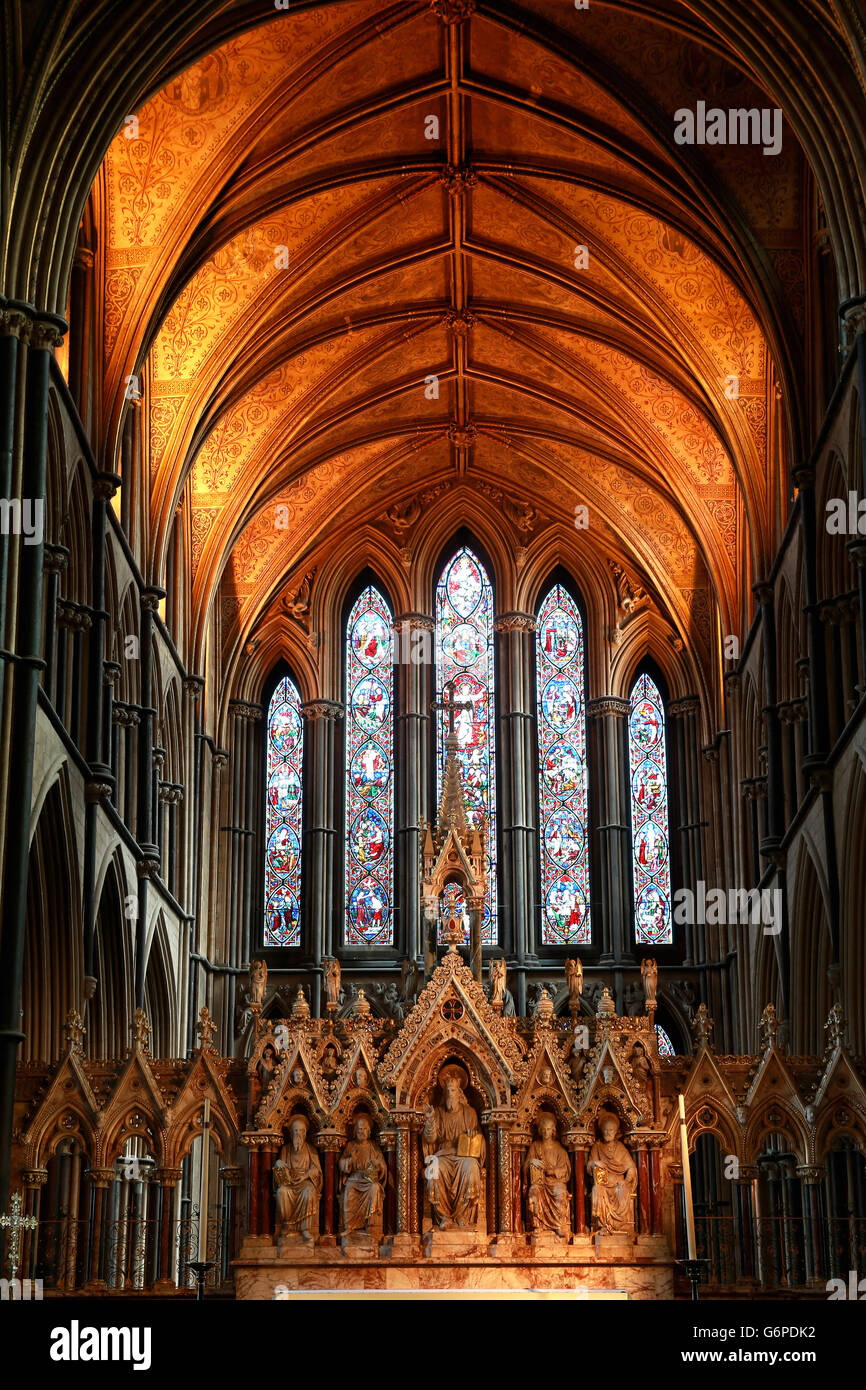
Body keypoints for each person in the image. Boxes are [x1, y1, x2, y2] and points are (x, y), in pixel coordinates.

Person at [422, 1065, 485, 1229]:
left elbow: (480, 1140)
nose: (451, 1093)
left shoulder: (470, 1113)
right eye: (448, 1090)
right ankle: (443, 1217)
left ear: (459, 1093)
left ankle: (462, 1215)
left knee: (471, 1167)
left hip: (464, 1155)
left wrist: (473, 1135)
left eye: (454, 1090)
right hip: (443, 1154)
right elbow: (430, 1139)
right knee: (434, 1171)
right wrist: (429, 1120)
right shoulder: (437, 1112)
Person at [273, 1115, 322, 1242]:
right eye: (295, 1130)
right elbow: (280, 1168)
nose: (298, 1134)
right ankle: (287, 1226)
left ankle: (305, 1229)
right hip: (289, 1182)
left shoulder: (311, 1149)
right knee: (282, 1191)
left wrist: (304, 1176)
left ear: (305, 1132)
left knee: (309, 1191)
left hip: (305, 1182)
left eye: (301, 1131)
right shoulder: (285, 1149)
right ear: (291, 1132)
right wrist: (278, 1163)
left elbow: (316, 1170)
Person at [587, 1114, 637, 1235]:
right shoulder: (597, 1147)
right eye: (606, 1130)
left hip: (618, 1183)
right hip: (602, 1183)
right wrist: (595, 1163)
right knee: (597, 1190)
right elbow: (589, 1167)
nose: (608, 1133)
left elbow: (631, 1168)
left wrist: (626, 1180)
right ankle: (603, 1225)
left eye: (611, 1130)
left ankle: (619, 1226)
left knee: (623, 1190)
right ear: (601, 1131)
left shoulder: (621, 1148)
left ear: (616, 1132)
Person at [524, 1112, 571, 1238]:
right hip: (540, 1182)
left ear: (553, 1130)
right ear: (540, 1130)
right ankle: (538, 1224)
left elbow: (565, 1169)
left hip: (555, 1182)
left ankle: (558, 1225)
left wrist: (551, 1171)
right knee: (534, 1191)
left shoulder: (559, 1149)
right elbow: (525, 1167)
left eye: (548, 1129)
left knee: (560, 1192)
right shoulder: (535, 1146)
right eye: (543, 1129)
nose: (546, 1132)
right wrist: (531, 1162)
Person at [339, 1115, 387, 1236]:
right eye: (360, 1129)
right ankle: (349, 1226)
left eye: (365, 1129)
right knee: (349, 1189)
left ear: (369, 1131)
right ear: (356, 1130)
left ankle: (370, 1226)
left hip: (369, 1179)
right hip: (355, 1178)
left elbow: (383, 1164)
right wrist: (350, 1160)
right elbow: (341, 1163)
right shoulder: (351, 1145)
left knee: (375, 1188)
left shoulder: (373, 1146)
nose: (362, 1131)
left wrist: (378, 1164)